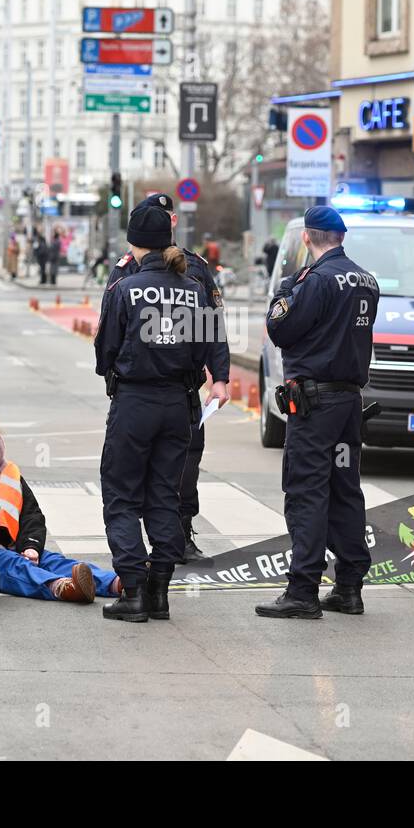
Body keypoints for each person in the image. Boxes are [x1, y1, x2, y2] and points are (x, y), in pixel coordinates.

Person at [256, 205, 379, 620]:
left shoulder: (314, 280)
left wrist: (283, 294)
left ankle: (303, 590)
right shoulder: (367, 280)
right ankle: (349, 586)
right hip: (348, 401)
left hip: (315, 403)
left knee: (307, 492)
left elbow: (281, 329)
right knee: (345, 490)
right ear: (342, 237)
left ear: (307, 238)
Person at [94, 197, 212, 622]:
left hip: (135, 402)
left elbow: (104, 350)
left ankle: (133, 588)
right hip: (179, 405)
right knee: (164, 495)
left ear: (136, 244)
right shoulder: (195, 288)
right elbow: (207, 347)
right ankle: (160, 590)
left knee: (122, 494)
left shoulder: (124, 288)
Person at [106, 193, 230, 563]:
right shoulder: (125, 269)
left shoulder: (195, 267)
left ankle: (180, 530)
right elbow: (109, 323)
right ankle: (158, 551)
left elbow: (214, 326)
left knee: (183, 467)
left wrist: (219, 377)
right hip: (152, 391)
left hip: (177, 391)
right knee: (153, 476)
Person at [0, 405, 121, 602]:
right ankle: (62, 587)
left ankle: (117, 583)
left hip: (13, 546)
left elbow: (31, 514)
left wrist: (31, 546)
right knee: (16, 567)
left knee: (53, 561)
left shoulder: (7, 474)